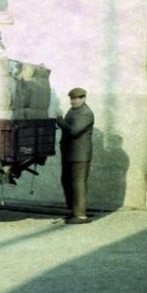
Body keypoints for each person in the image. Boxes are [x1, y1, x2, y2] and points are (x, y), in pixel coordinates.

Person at [56, 87, 95, 224]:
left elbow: (74, 131)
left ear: (83, 99)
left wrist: (60, 121)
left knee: (78, 184)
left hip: (80, 155)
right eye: (72, 99)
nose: (73, 101)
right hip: (69, 153)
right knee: (67, 181)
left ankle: (81, 215)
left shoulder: (86, 114)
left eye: (76, 99)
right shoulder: (72, 111)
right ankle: (74, 211)